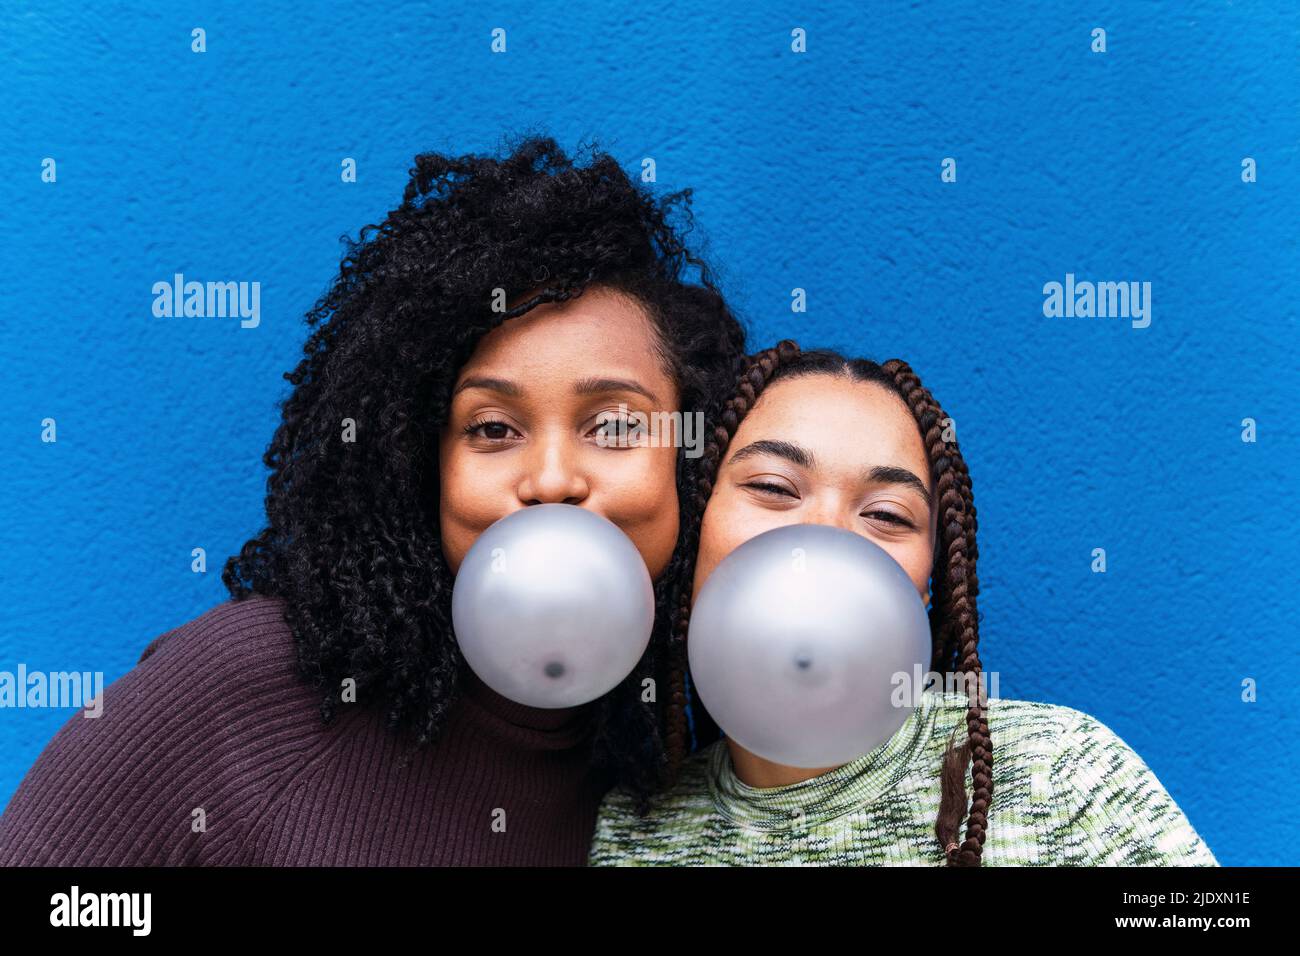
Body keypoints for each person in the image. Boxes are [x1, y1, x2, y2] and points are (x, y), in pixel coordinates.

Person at [0, 136, 746, 866]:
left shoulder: (668, 780)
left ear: (687, 461)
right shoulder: (242, 689)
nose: (551, 478)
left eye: (613, 426)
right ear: (423, 464)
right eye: (492, 428)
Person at [589, 342, 1218, 866]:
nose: (826, 537)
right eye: (774, 488)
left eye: (886, 514)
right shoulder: (630, 834)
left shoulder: (1061, 775)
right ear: (697, 528)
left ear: (923, 589)